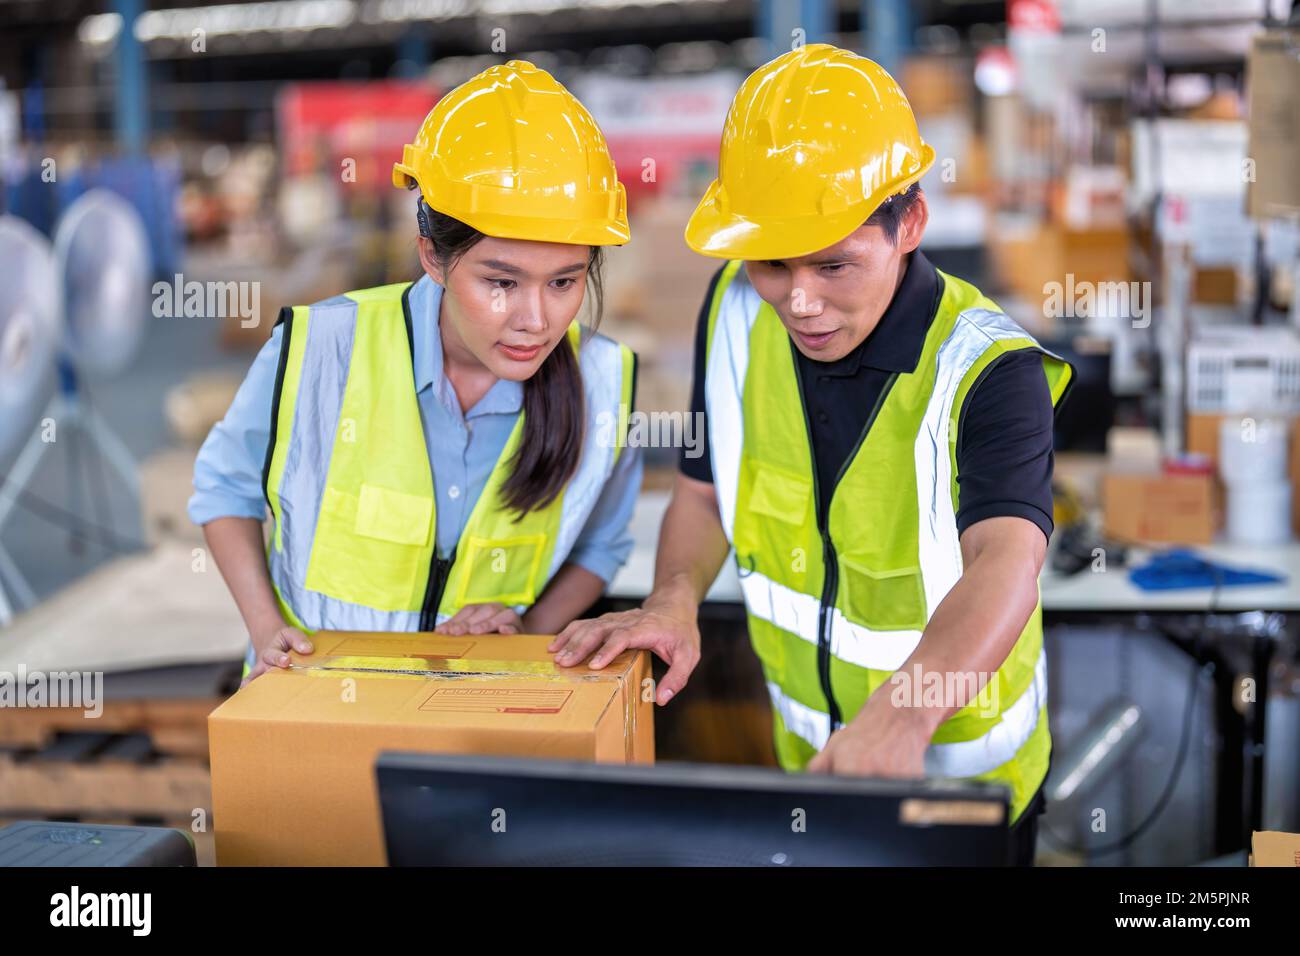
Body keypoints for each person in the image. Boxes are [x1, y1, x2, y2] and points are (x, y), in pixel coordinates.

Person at [550, 44, 1073, 864]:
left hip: (963, 795)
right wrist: (675, 599)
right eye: (771, 264)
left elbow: (1004, 560)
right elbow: (701, 492)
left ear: (910, 224)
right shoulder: (732, 311)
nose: (800, 301)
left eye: (834, 264)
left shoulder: (989, 369)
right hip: (811, 777)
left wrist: (903, 716)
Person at [189, 60, 642, 683]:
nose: (536, 320)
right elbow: (223, 489)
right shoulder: (322, 348)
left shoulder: (604, 383)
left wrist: (525, 627)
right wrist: (267, 629)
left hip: (479, 715)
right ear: (433, 256)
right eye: (501, 282)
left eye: (564, 282)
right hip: (316, 703)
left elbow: (602, 544)